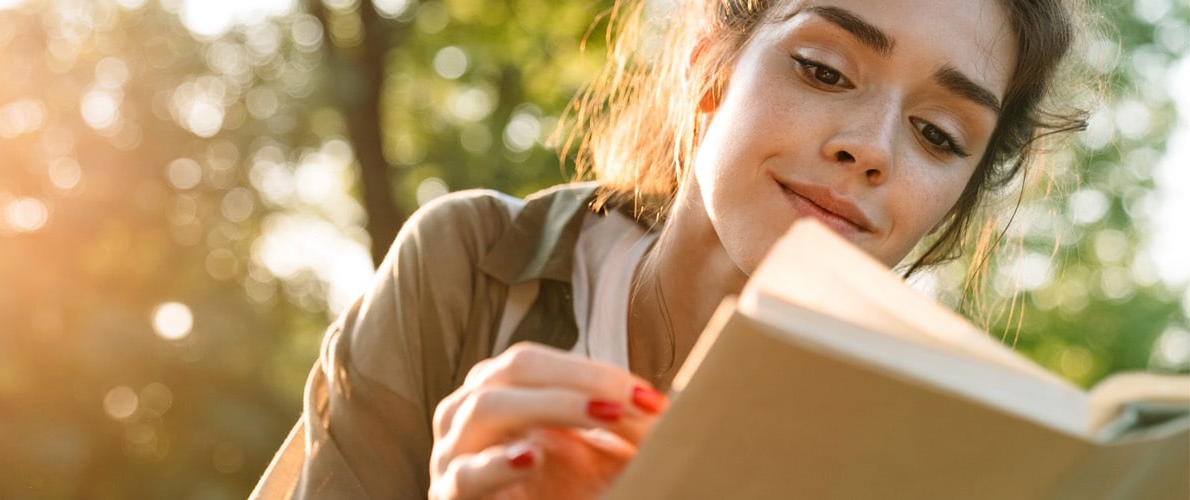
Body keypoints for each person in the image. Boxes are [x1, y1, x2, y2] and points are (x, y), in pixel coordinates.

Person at [254, 0, 1089, 497]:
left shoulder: (908, 466)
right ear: (710, 71)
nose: (870, 148)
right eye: (824, 70)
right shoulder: (470, 268)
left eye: (938, 134)